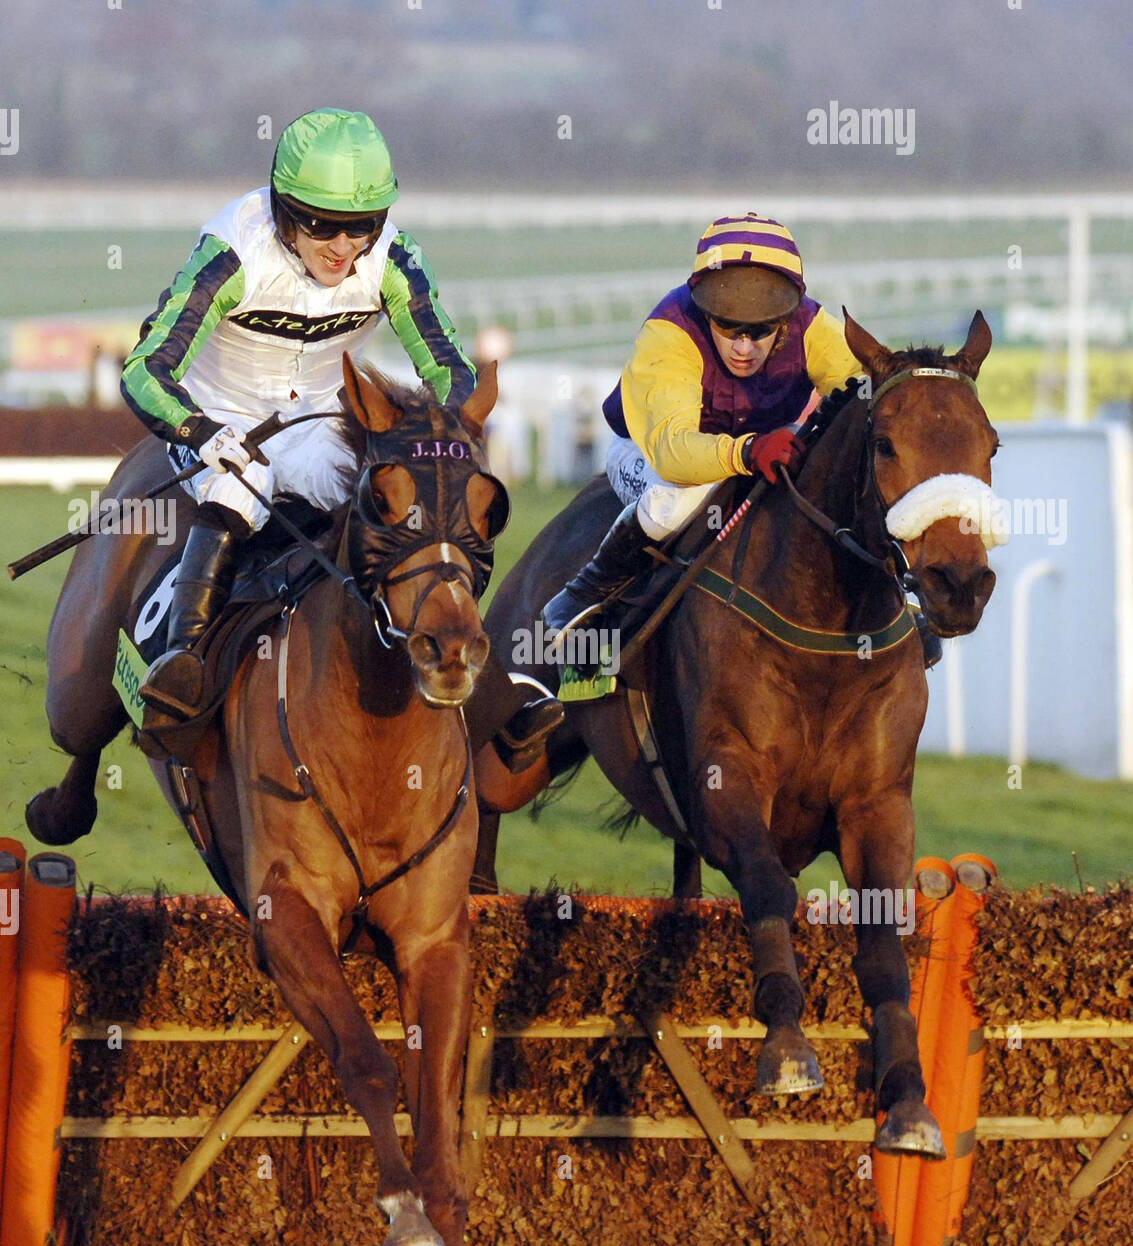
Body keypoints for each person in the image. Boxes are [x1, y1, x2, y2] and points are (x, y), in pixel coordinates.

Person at [121, 107, 560, 761]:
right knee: (243, 487)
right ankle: (182, 661)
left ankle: (468, 665)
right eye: (320, 224)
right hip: (221, 417)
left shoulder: (394, 260)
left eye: (361, 227)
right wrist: (199, 429)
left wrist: (445, 436)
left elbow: (448, 368)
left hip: (321, 418)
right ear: (281, 209)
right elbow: (146, 370)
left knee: (402, 503)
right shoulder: (232, 251)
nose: (341, 246)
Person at [543, 213, 862, 635]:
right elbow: (674, 452)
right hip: (649, 450)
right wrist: (748, 451)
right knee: (677, 504)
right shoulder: (670, 331)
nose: (743, 347)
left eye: (761, 329)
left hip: (760, 443)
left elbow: (870, 393)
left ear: (787, 315)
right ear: (703, 305)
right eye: (726, 323)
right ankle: (586, 591)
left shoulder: (813, 326)